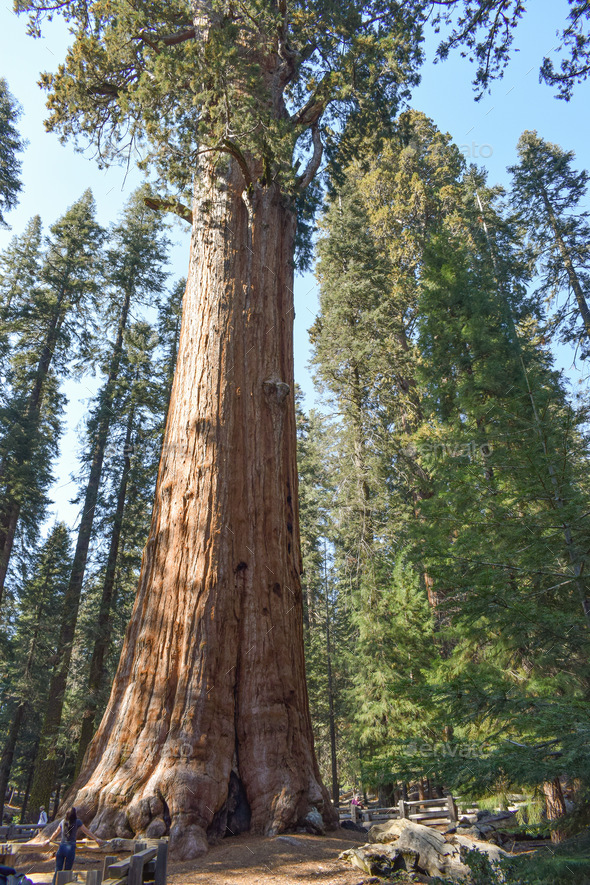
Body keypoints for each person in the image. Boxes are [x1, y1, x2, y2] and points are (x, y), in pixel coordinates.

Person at [44, 807, 104, 885]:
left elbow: (56, 832)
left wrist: (49, 840)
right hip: (70, 849)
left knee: (57, 870)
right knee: (67, 872)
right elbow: (86, 831)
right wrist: (96, 838)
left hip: (61, 848)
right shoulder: (77, 822)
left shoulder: (62, 822)